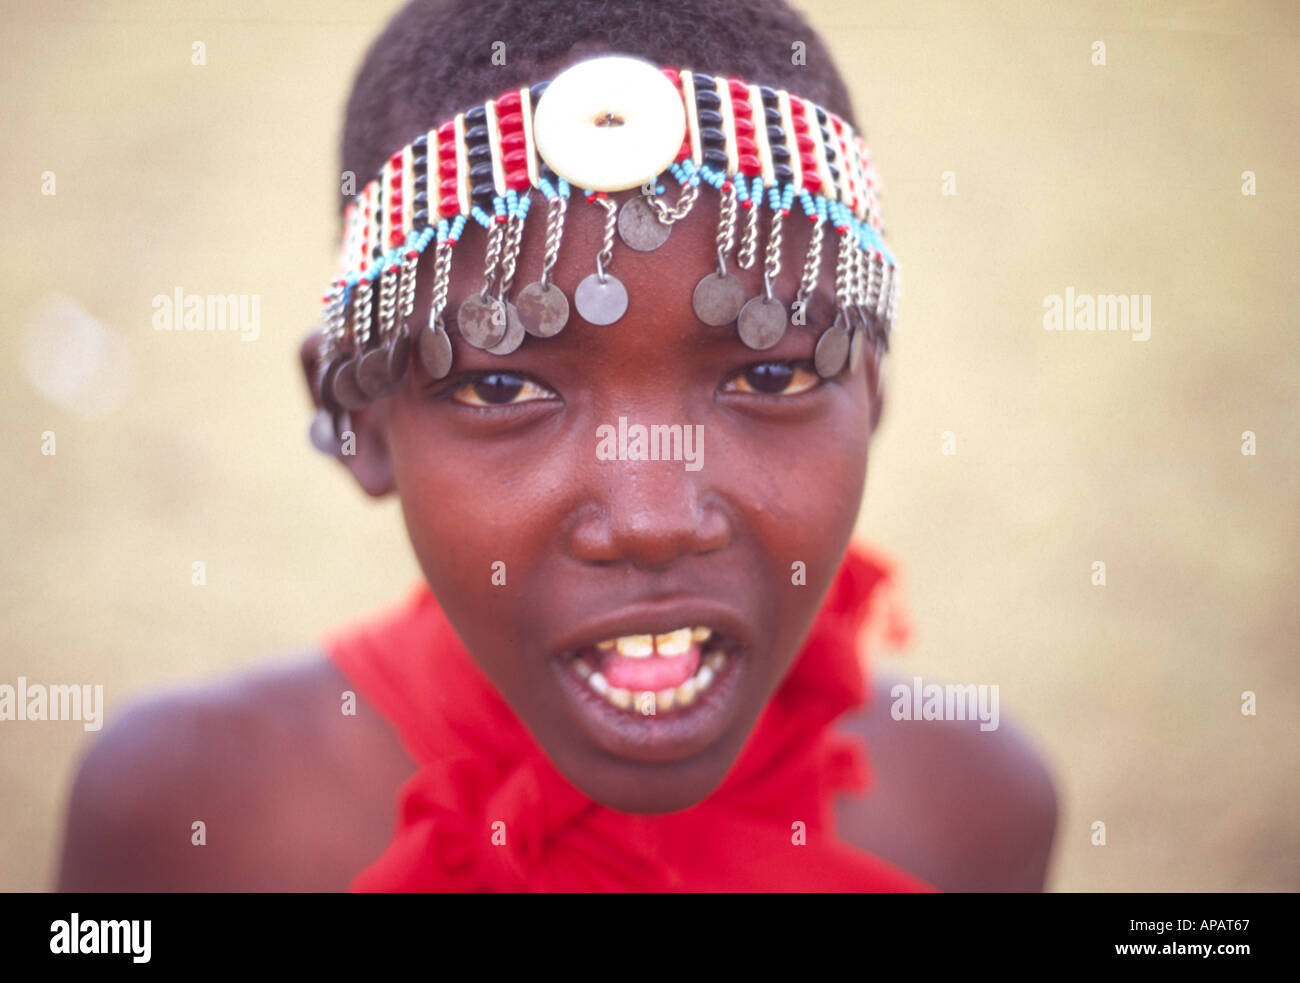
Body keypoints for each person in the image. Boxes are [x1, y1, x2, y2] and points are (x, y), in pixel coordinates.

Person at [56, 0, 1057, 891]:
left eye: (769, 373)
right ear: (357, 417)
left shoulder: (970, 808)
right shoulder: (197, 819)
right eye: (500, 385)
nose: (655, 517)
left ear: (870, 389)